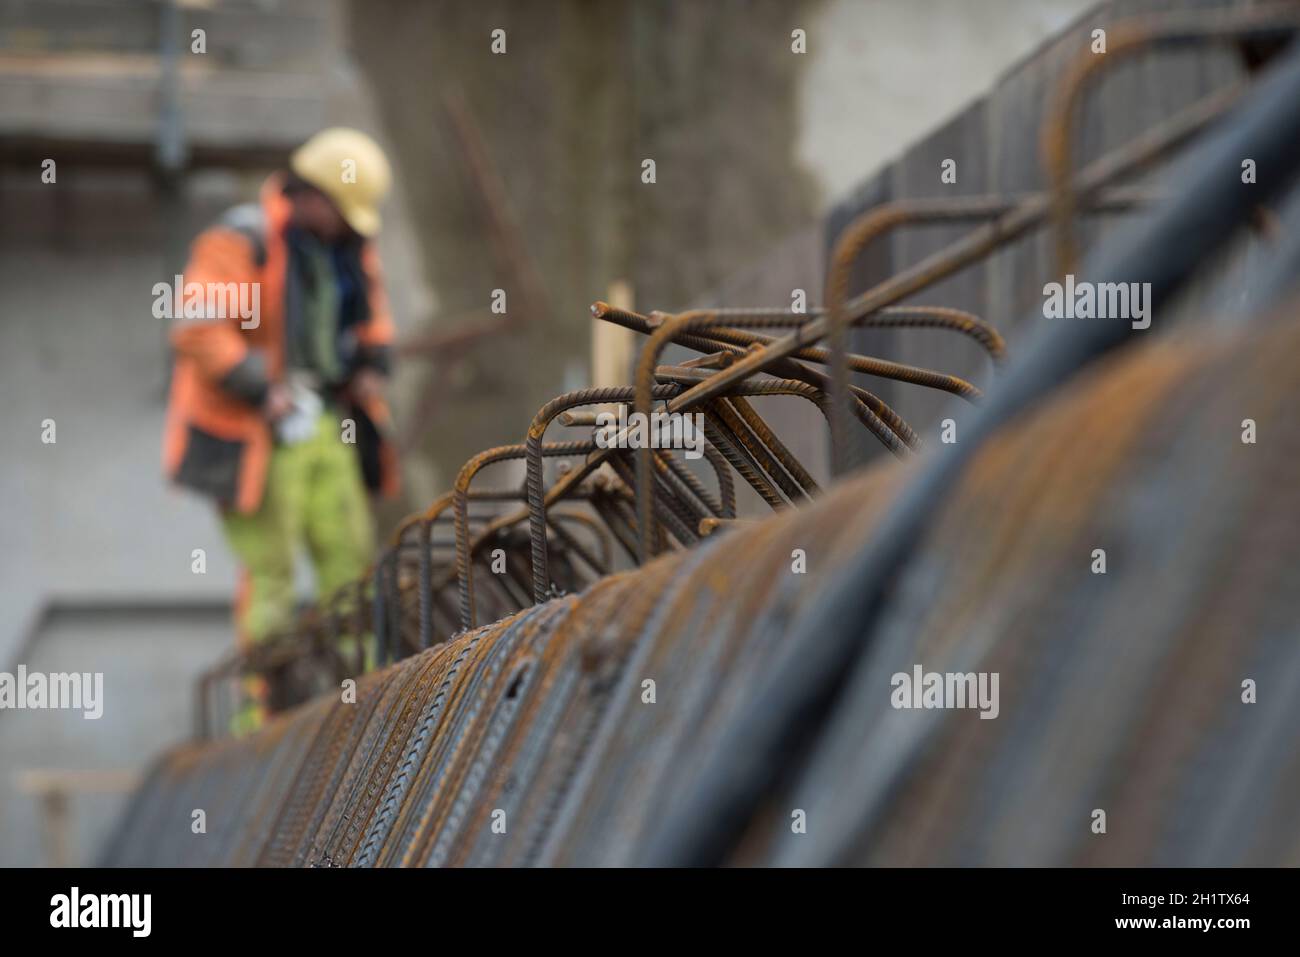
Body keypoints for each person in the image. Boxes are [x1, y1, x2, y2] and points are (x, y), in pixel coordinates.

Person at [162, 128, 400, 734]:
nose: (348, 227)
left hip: (324, 420)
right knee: (271, 576)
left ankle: (360, 695)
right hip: (259, 430)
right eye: (341, 212)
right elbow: (197, 324)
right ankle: (259, 716)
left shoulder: (345, 245)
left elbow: (372, 315)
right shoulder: (244, 240)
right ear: (312, 194)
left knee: (348, 558)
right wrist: (258, 387)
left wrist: (371, 365)